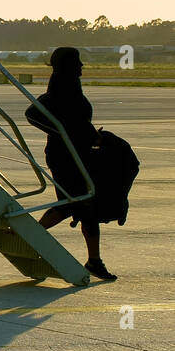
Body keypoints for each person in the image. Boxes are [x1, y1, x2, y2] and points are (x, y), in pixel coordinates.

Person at [25, 46, 115, 281]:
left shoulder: (66, 87)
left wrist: (84, 135)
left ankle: (94, 260)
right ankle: (29, 236)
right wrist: (64, 134)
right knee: (75, 204)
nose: (82, 66)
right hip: (66, 157)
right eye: (78, 62)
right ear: (69, 66)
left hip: (75, 154)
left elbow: (75, 122)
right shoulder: (62, 90)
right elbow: (34, 114)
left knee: (82, 205)